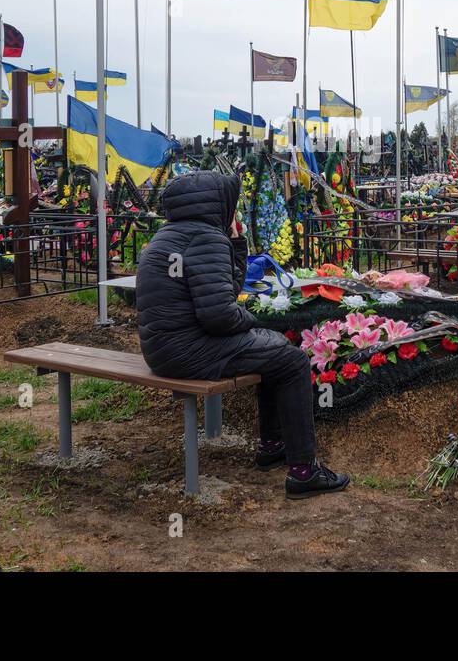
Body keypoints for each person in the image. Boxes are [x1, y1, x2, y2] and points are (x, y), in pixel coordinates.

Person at [135, 171, 349, 499]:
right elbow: (219, 316)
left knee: (272, 352)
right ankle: (304, 472)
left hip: (163, 348)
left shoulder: (168, 237)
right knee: (291, 361)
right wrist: (251, 321)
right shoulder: (206, 239)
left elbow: (224, 293)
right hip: (187, 350)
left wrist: (235, 243)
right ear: (219, 204)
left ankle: (273, 444)